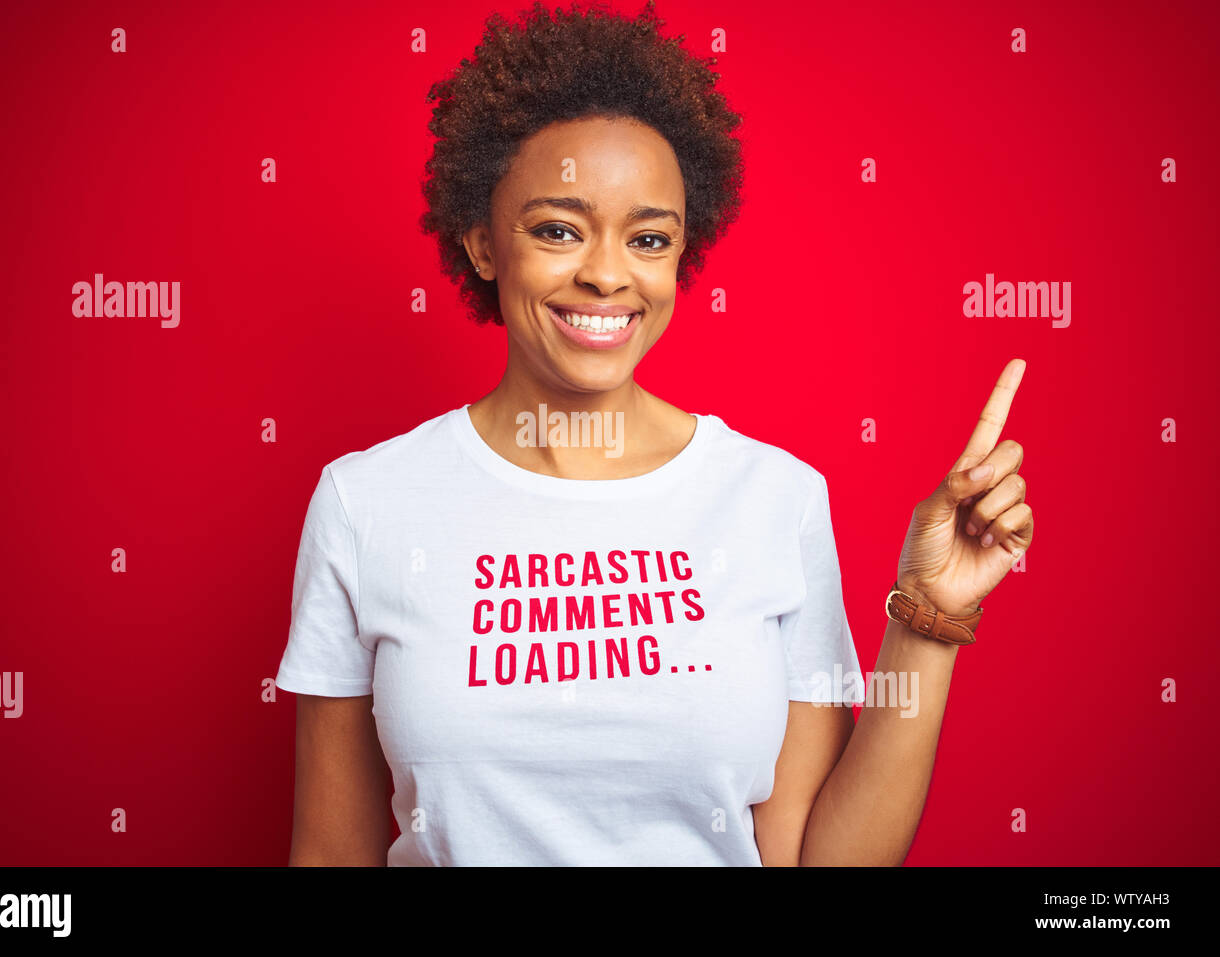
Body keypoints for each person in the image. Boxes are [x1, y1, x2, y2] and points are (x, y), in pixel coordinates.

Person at [274, 0, 1034, 866]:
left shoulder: (774, 497)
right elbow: (330, 853)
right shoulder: (367, 501)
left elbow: (821, 861)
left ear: (682, 256)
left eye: (648, 237)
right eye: (558, 229)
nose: (606, 275)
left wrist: (931, 620)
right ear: (484, 244)